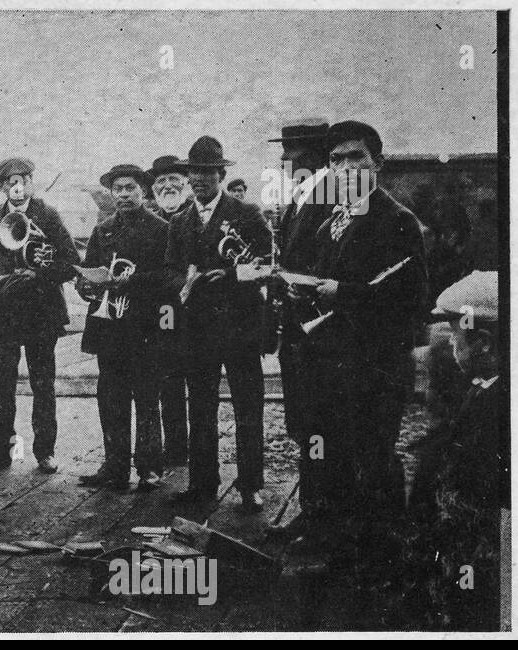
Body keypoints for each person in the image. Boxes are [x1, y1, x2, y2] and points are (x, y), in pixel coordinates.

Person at [292, 120, 428, 550]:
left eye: (356, 157)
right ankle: (325, 526)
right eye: (336, 160)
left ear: (378, 164)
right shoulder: (332, 217)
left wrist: (342, 294)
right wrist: (307, 286)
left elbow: (412, 298)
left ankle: (380, 549)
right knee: (325, 446)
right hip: (329, 359)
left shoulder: (398, 220)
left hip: (374, 365)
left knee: (372, 454)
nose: (345, 167)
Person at [164, 136, 271, 513]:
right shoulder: (179, 222)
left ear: (221, 174)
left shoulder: (247, 214)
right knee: (202, 408)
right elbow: (171, 270)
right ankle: (203, 484)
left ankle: (250, 486)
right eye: (193, 172)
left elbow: (265, 265)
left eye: (207, 172)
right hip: (197, 329)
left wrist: (225, 276)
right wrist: (186, 283)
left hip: (240, 326)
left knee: (247, 407)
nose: (198, 179)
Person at [407, 271, 504, 630]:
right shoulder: (484, 387)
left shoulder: (493, 408)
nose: (449, 343)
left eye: (456, 333)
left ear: (485, 343)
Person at [0, 157, 80, 474]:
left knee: (43, 384)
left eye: (23, 181)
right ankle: (1, 452)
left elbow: (70, 260)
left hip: (39, 312)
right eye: (10, 183)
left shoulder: (47, 215)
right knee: (2, 385)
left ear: (32, 182)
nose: (17, 188)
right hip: (4, 312)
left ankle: (45, 452)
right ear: (3, 187)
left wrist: (41, 274)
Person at [77, 164, 168, 489]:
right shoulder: (103, 230)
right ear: (112, 194)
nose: (124, 194)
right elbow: (86, 270)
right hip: (109, 328)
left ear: (143, 191)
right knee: (111, 398)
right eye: (118, 189)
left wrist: (132, 281)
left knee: (146, 398)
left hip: (143, 326)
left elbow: (167, 277)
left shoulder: (160, 229)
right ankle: (114, 466)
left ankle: (149, 468)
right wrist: (86, 286)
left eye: (130, 188)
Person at [266, 118, 332, 536]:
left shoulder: (326, 195)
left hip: (315, 332)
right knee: (303, 423)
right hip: (297, 331)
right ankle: (311, 508)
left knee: (316, 424)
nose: (286, 160)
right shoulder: (302, 197)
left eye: (292, 152)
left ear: (313, 154)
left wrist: (295, 286)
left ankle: (317, 513)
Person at [145, 154, 192, 468]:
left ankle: (200, 452)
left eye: (173, 179)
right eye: (160, 181)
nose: (167, 186)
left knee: (199, 384)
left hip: (194, 312)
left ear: (185, 183)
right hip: (163, 312)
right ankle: (176, 447)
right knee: (168, 379)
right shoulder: (151, 221)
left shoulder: (195, 215)